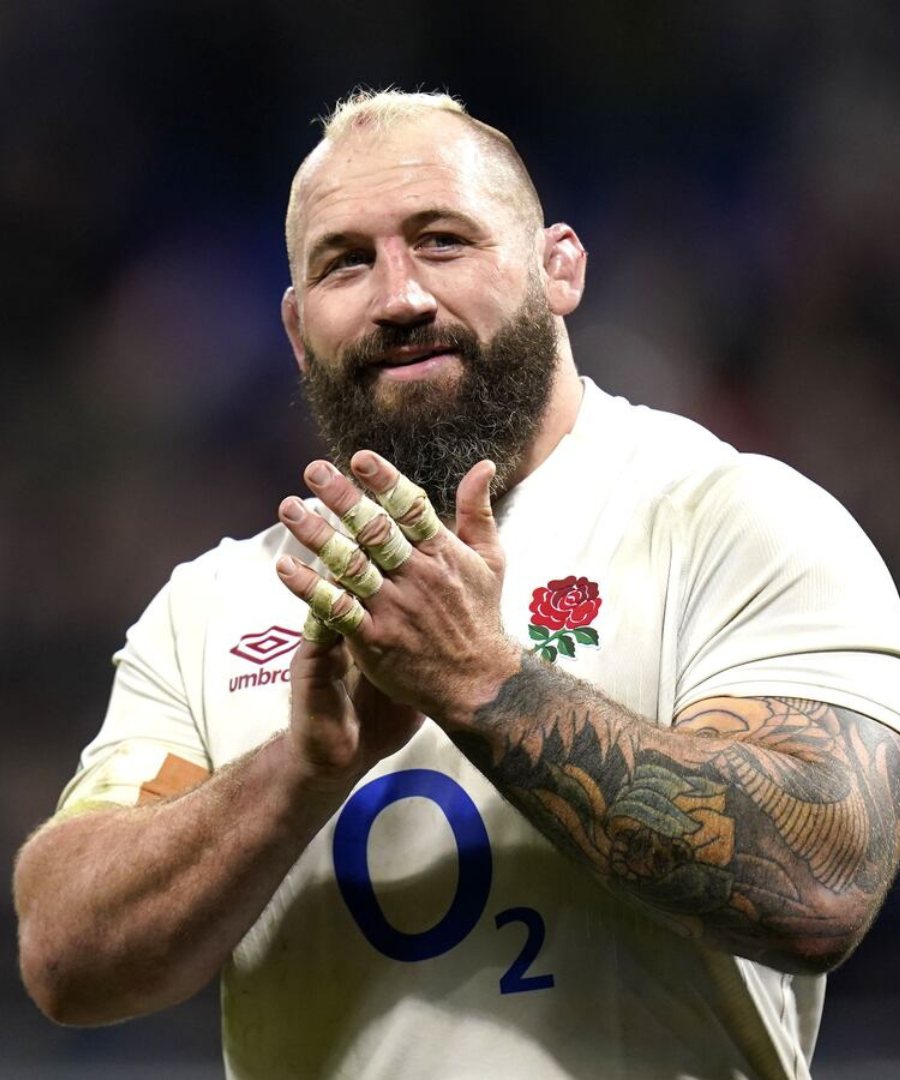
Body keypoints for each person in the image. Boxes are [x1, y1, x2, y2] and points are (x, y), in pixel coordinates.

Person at [14, 89, 900, 1080]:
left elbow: (822, 880)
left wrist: (483, 682)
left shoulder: (730, 522)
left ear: (559, 267)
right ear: (298, 329)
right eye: (346, 261)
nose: (400, 297)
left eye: (443, 241)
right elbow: (65, 958)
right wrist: (301, 769)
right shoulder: (215, 602)